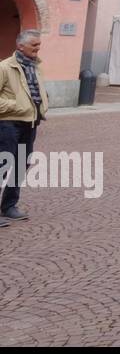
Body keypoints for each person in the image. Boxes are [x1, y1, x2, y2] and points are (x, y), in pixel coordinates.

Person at [0, 29, 48, 225]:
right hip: (8, 124)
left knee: (21, 165)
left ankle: (9, 206)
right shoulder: (4, 67)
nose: (38, 48)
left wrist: (43, 105)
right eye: (34, 45)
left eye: (39, 44)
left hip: (30, 123)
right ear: (20, 46)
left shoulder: (36, 67)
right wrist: (17, 106)